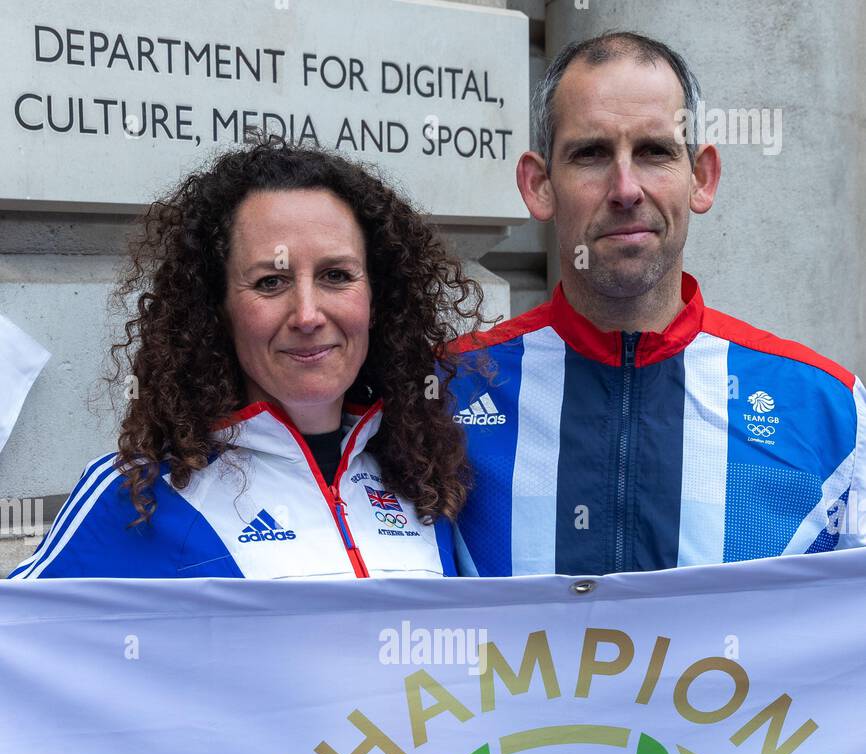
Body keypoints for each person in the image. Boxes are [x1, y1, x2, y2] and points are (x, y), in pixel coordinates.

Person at [450, 30, 866, 577]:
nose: (625, 188)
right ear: (539, 186)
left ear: (701, 177)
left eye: (654, 152)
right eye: (591, 153)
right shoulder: (446, 392)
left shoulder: (829, 411)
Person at [9, 139, 481, 580]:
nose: (308, 315)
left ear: (377, 302)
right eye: (269, 283)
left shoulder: (421, 484)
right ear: (219, 310)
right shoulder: (142, 495)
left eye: (336, 275)